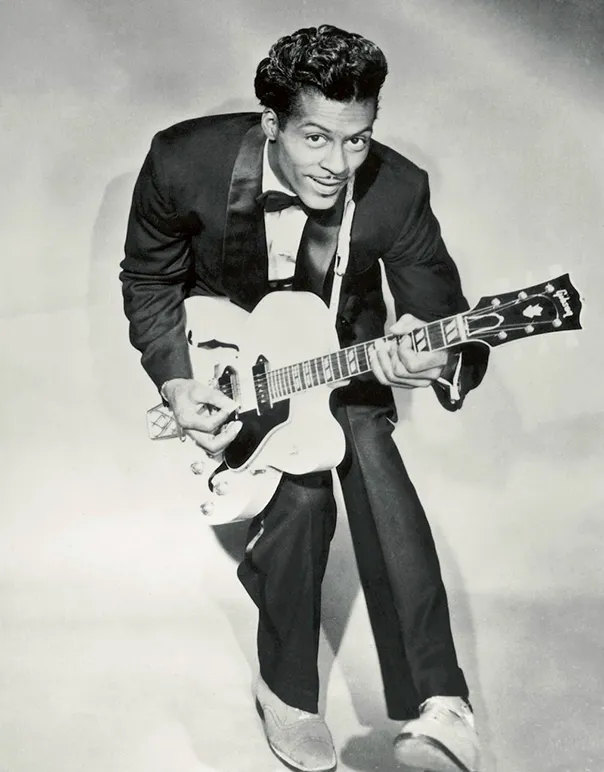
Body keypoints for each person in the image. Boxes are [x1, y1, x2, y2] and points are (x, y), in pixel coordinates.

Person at [120, 24, 488, 772]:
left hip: (338, 361)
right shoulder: (183, 160)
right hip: (227, 361)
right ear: (271, 123)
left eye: (357, 141)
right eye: (316, 139)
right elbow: (150, 279)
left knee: (373, 456)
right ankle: (287, 692)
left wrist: (437, 349)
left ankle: (443, 706)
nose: (338, 163)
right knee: (304, 499)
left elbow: (446, 313)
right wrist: (178, 378)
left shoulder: (398, 188)